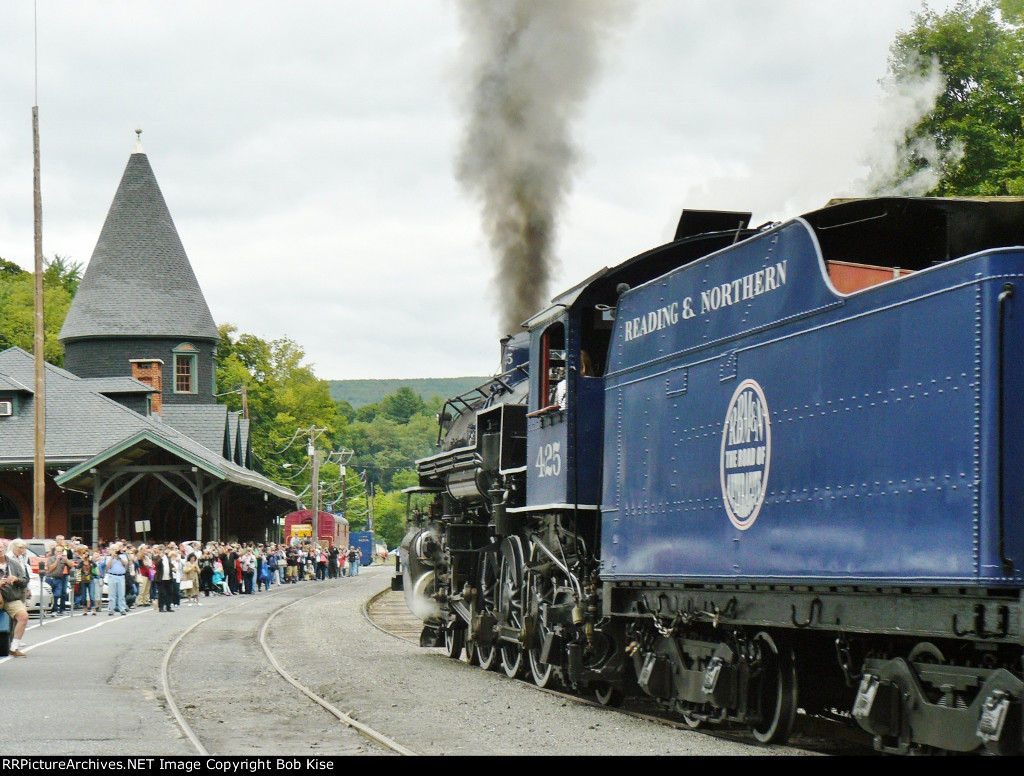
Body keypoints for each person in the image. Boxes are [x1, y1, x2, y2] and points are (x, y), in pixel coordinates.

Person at [0, 541, 31, 657]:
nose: (0, 550)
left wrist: (16, 579)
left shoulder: (14, 563)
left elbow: (24, 581)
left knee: (24, 616)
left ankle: (14, 648)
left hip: (11, 598)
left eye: (1, 547)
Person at [44, 536, 73, 614]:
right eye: (58, 551)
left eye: (60, 551)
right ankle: (52, 609)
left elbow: (72, 564)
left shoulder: (65, 554)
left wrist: (66, 558)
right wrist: (57, 560)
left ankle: (58, 609)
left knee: (58, 594)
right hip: (50, 578)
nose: (59, 553)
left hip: (60, 577)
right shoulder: (51, 557)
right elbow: (50, 568)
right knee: (50, 594)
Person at [101, 542, 131, 615]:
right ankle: (111, 609)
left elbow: (126, 564)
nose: (114, 550)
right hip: (112, 576)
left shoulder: (123, 556)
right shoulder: (108, 557)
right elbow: (108, 566)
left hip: (121, 576)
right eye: (113, 549)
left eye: (116, 549)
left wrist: (119, 557)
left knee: (121, 594)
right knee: (112, 594)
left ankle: (122, 609)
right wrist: (112, 557)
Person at [152, 546, 175, 612]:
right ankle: (161, 607)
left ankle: (168, 606)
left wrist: (173, 568)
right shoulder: (156, 557)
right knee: (162, 593)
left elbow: (170, 564)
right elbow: (156, 565)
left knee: (169, 592)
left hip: (168, 577)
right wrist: (160, 557)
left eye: (162, 550)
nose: (161, 551)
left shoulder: (167, 557)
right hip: (160, 578)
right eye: (160, 550)